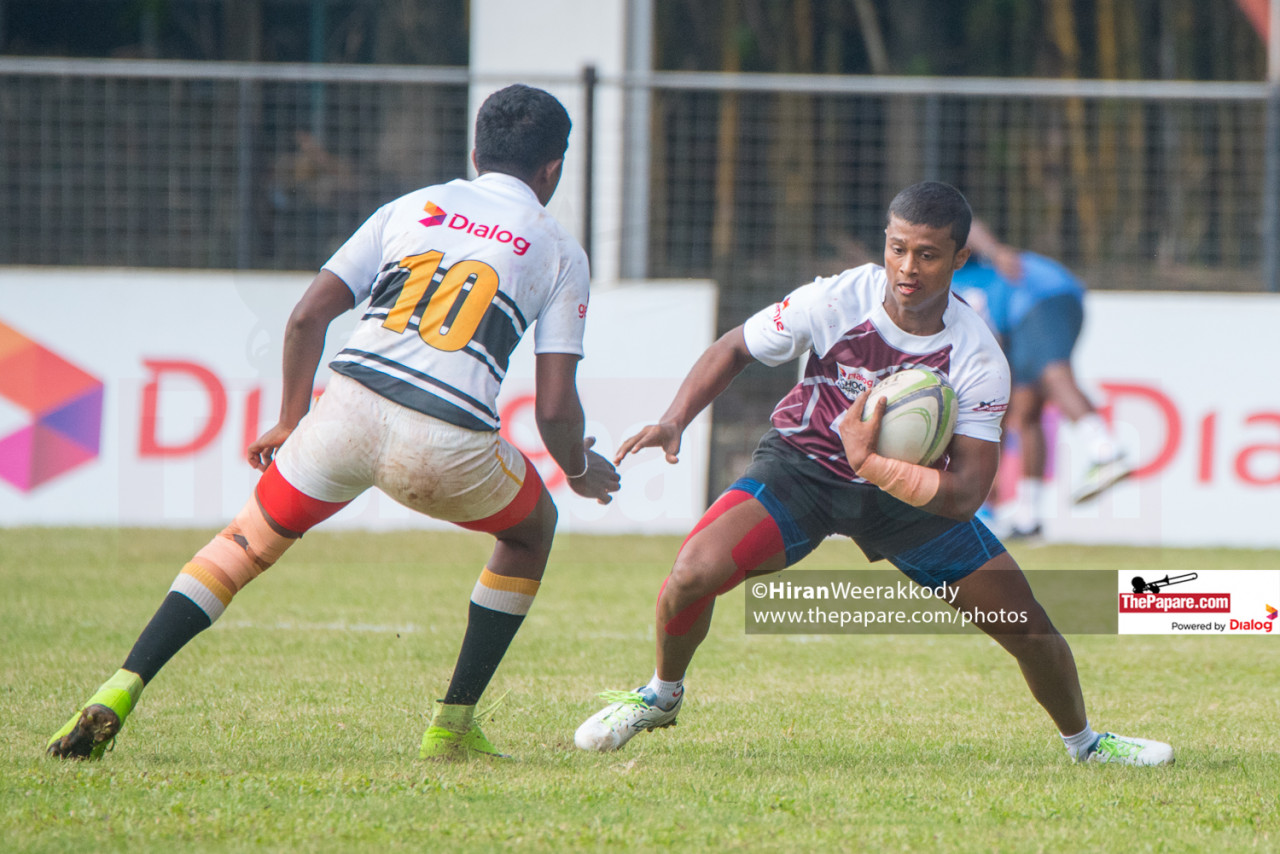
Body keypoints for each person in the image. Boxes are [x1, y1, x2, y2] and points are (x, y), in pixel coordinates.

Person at [47, 84, 620, 762]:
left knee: (242, 544)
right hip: (447, 441)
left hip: (346, 411)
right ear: (553, 169)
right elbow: (554, 408)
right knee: (532, 528)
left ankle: (121, 685)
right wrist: (578, 471)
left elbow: (305, 318)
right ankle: (452, 726)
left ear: (476, 153)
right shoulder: (559, 249)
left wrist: (290, 419)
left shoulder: (412, 207)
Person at [574, 182, 1172, 766]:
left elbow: (967, 494)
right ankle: (662, 696)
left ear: (960, 259)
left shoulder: (978, 356)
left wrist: (871, 464)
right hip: (803, 470)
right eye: (897, 248)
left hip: (910, 499)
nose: (907, 268)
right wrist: (675, 419)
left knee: (1026, 625)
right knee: (691, 574)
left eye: (928, 254)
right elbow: (735, 347)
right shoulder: (836, 299)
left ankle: (1086, 745)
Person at [953, 221, 1133, 538]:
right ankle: (1029, 518)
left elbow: (964, 223)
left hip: (1037, 296)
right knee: (1026, 412)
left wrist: (995, 251)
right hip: (1036, 308)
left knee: (1053, 372)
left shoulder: (957, 281)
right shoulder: (956, 287)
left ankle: (1106, 450)